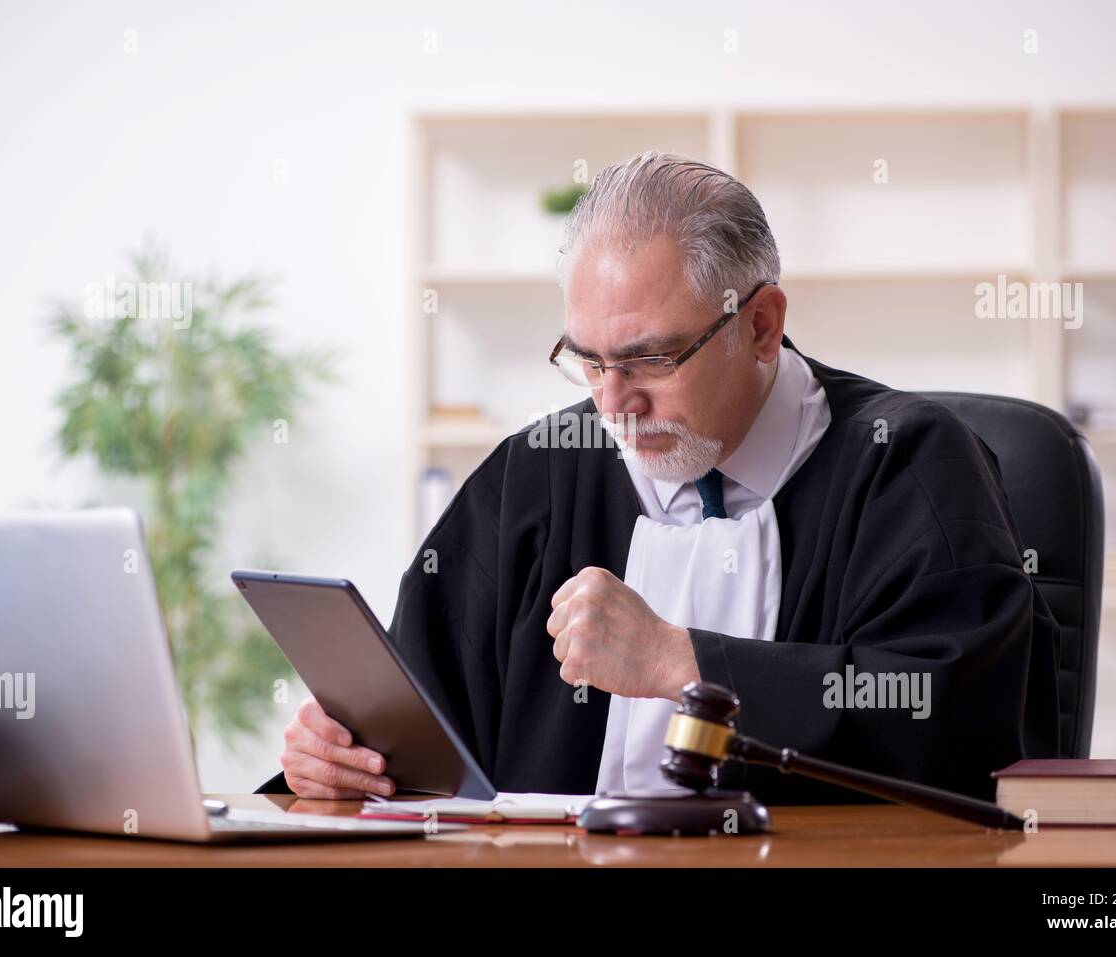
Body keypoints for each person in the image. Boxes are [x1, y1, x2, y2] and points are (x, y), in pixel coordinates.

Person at [271, 150, 1059, 805]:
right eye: (587, 361)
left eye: (650, 358)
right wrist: (339, 757)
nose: (614, 404)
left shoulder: (910, 462)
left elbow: (958, 727)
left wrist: (683, 663)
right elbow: (425, 724)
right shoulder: (534, 475)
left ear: (760, 325)